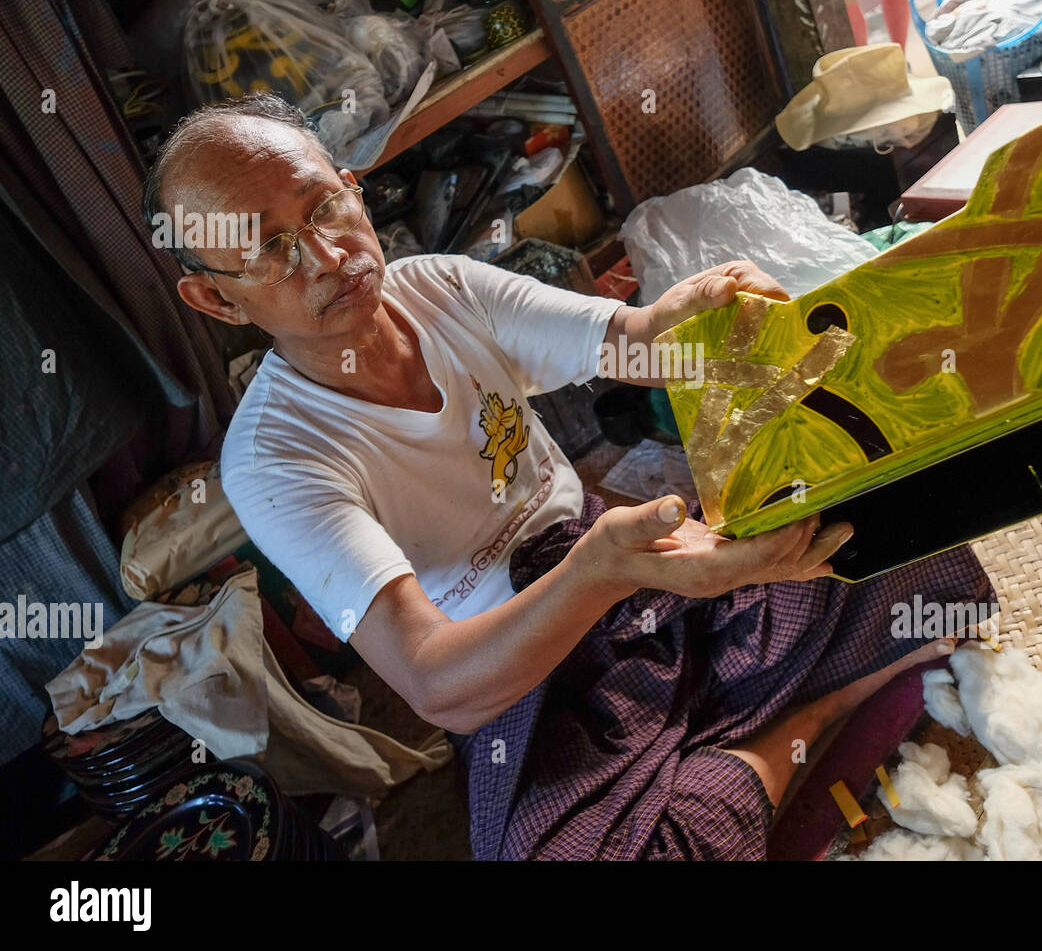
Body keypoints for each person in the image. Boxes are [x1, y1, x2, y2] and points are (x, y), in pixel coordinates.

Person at [150, 93, 994, 860]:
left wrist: (703, 305)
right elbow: (437, 684)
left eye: (324, 206)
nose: (328, 256)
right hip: (521, 660)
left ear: (352, 186)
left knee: (886, 523)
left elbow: (640, 341)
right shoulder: (275, 459)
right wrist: (600, 571)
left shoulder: (439, 287)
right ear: (220, 302)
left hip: (632, 568)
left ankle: (716, 751)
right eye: (269, 252)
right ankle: (808, 721)